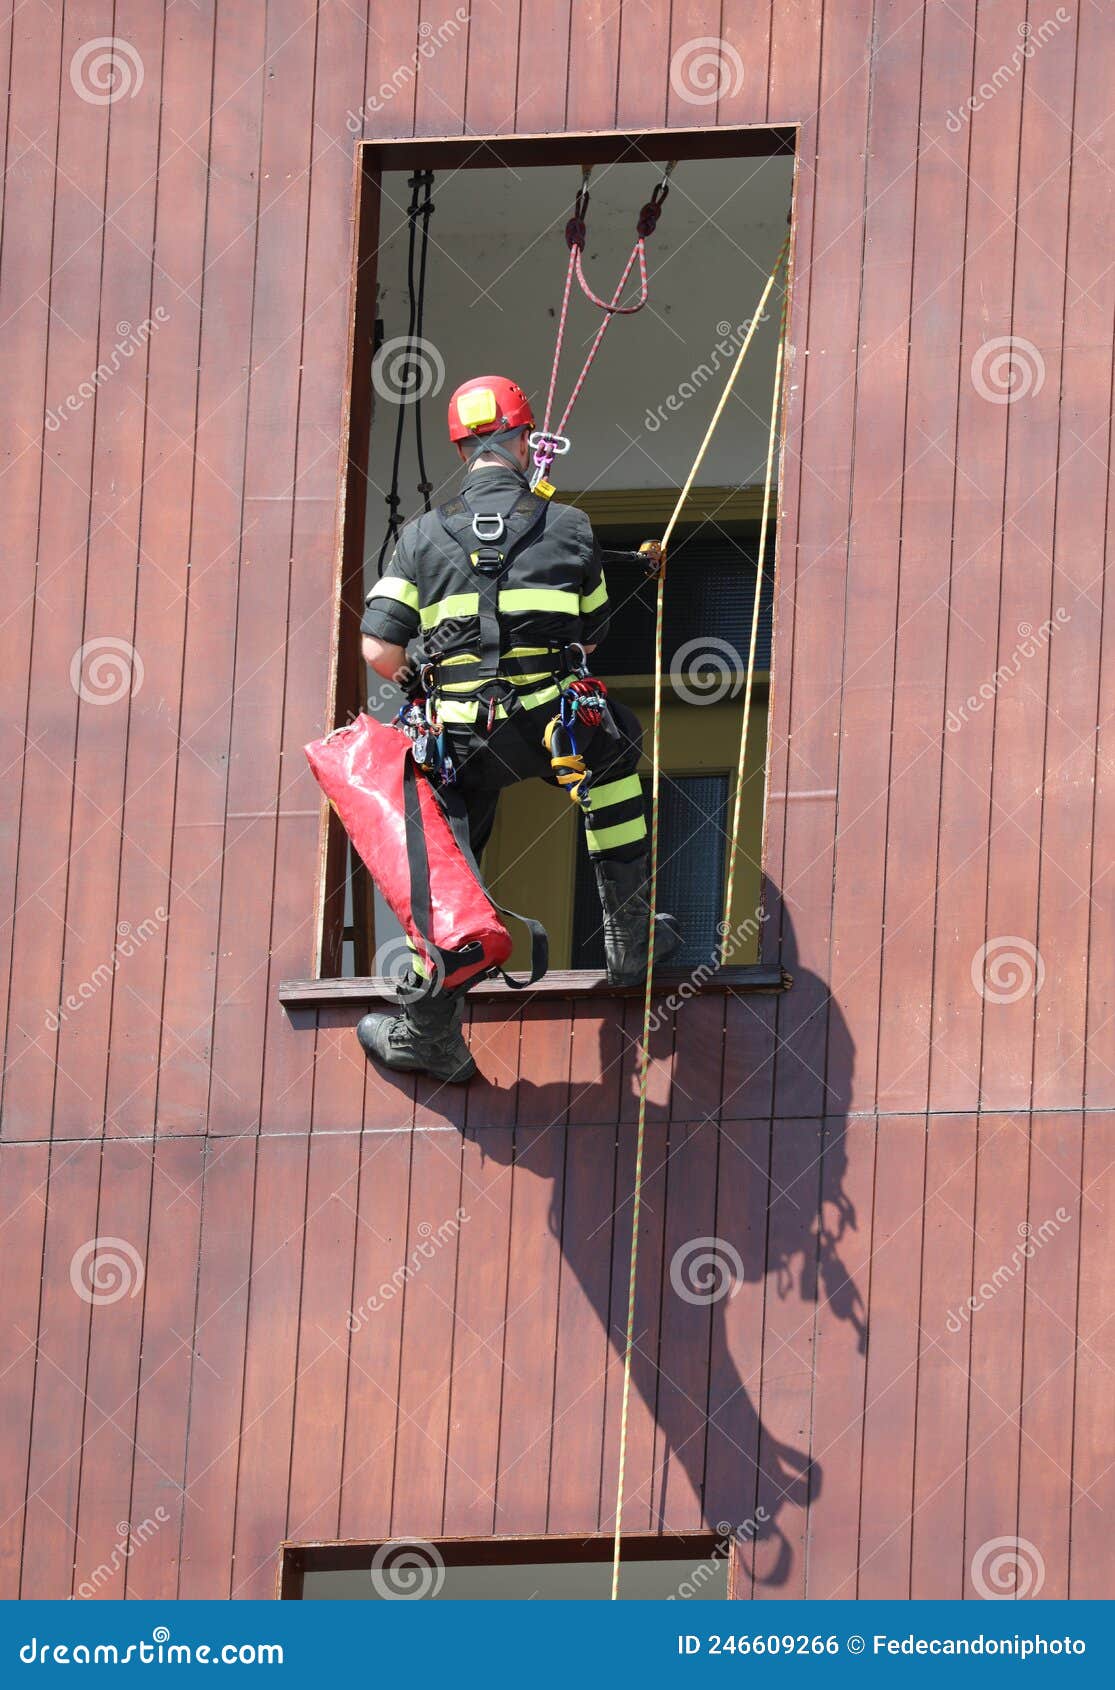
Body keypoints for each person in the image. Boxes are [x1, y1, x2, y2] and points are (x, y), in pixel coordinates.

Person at [356, 374, 679, 1081]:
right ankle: (629, 941)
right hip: (549, 725)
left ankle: (430, 1031)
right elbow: (585, 639)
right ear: (526, 442)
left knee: (440, 859)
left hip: (457, 738)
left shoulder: (418, 537)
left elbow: (377, 648)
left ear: (462, 449)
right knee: (614, 750)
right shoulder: (568, 526)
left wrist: (427, 684)